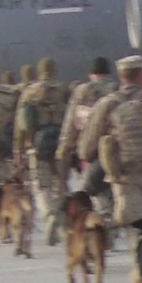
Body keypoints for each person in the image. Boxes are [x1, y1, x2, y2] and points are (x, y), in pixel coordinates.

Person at [79, 56, 142, 241]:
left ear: (122, 76)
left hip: (122, 176)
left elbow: (87, 147)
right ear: (141, 75)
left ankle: (141, 262)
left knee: (135, 229)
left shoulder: (108, 103)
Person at [16, 57, 70, 245]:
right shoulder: (64, 90)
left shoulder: (30, 92)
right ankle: (63, 222)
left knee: (41, 186)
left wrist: (19, 149)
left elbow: (21, 124)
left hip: (37, 145)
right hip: (62, 143)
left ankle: (50, 215)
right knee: (61, 184)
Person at [58, 57, 117, 207]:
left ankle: (103, 220)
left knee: (93, 192)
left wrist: (65, 145)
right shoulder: (116, 90)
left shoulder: (83, 91)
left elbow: (71, 122)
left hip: (90, 151)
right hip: (114, 150)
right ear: (108, 73)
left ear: (91, 74)